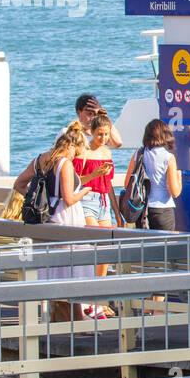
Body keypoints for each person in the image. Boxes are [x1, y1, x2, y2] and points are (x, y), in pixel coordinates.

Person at [12, 121, 107, 319]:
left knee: (54, 272)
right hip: (64, 217)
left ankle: (57, 321)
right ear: (72, 146)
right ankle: (77, 324)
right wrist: (85, 191)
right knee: (70, 271)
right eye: (79, 151)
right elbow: (69, 198)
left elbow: (19, 184)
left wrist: (39, 198)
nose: (78, 156)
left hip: (44, 218)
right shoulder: (64, 163)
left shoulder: (40, 159)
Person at [75, 112, 117, 274]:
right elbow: (76, 181)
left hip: (103, 200)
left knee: (106, 246)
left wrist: (116, 211)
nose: (103, 138)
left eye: (106, 134)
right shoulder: (83, 152)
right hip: (87, 198)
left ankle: (100, 285)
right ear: (91, 132)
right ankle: (91, 283)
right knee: (97, 241)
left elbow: (108, 184)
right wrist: (94, 175)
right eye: (100, 134)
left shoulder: (107, 153)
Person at [125, 119, 181, 232]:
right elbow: (175, 192)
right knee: (165, 247)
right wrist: (179, 177)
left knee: (146, 247)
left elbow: (127, 184)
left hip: (142, 209)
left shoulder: (138, 154)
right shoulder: (168, 157)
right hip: (163, 209)